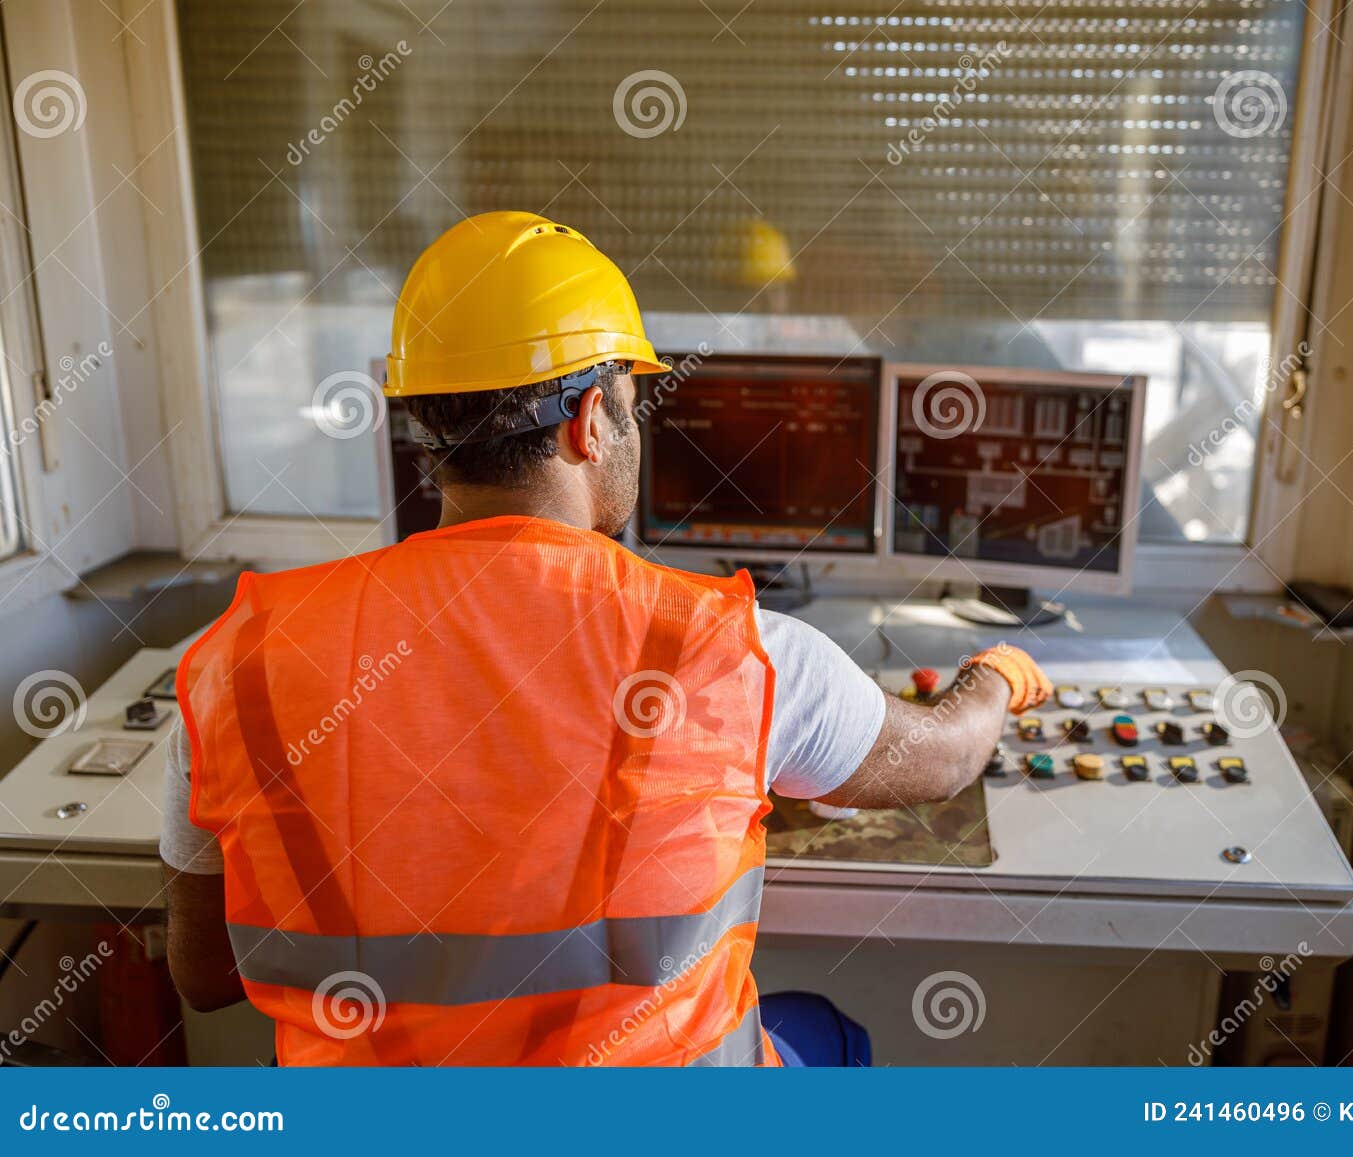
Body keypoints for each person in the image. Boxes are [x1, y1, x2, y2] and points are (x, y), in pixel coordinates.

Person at [160, 211, 1053, 1066]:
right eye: (631, 402)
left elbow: (203, 975)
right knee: (827, 1029)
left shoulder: (240, 664)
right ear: (590, 420)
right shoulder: (740, 650)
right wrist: (998, 674)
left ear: (426, 429)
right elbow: (944, 757)